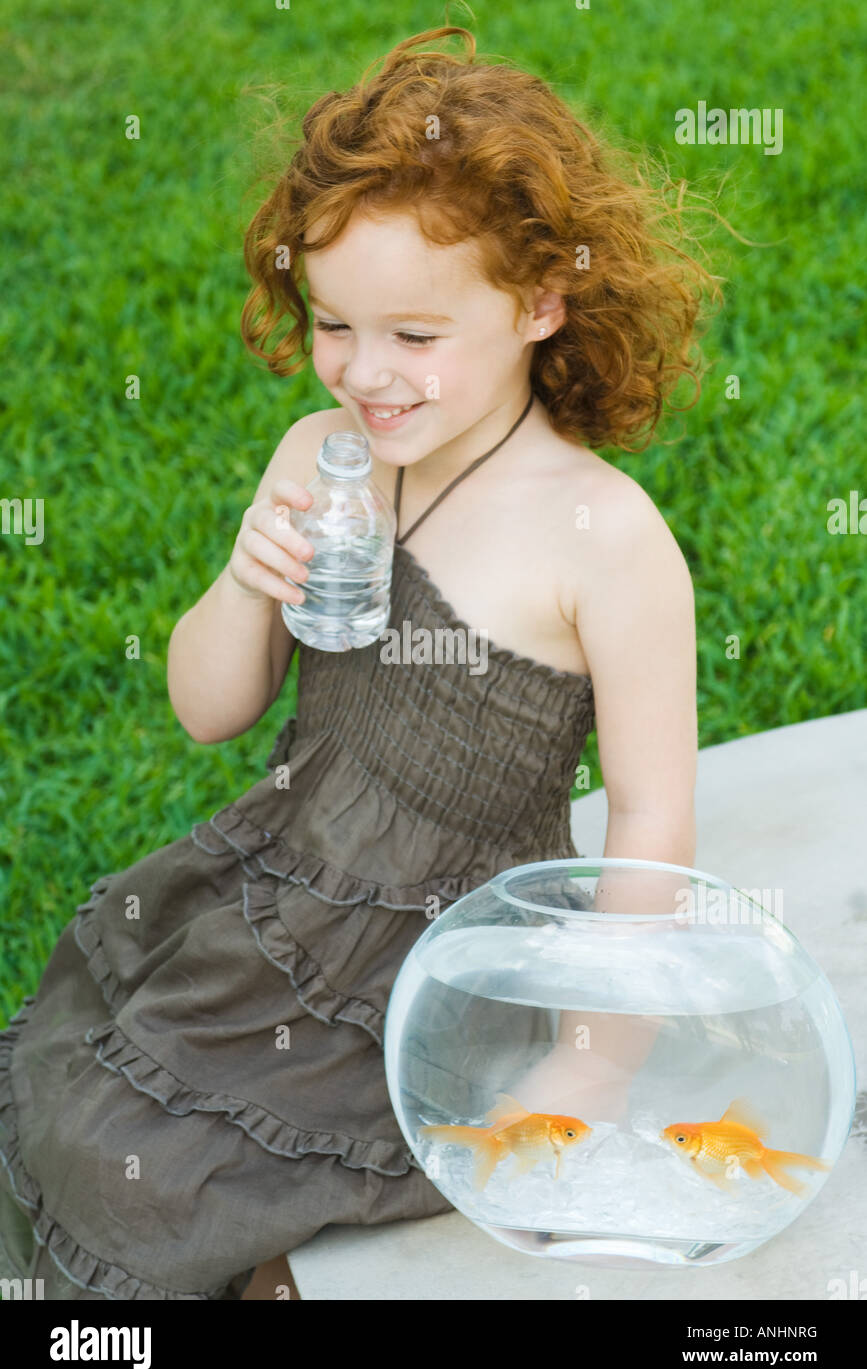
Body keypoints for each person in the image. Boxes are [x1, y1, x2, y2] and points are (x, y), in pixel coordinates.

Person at [0, 25, 719, 1300]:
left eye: (416, 335)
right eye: (335, 324)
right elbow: (211, 710)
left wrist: (593, 1063)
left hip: (438, 948)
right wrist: (245, 579)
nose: (366, 373)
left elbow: (654, 819)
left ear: (541, 303)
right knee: (78, 1052)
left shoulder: (605, 540)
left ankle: (248, 1262)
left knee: (137, 1161)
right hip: (281, 886)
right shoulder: (319, 458)